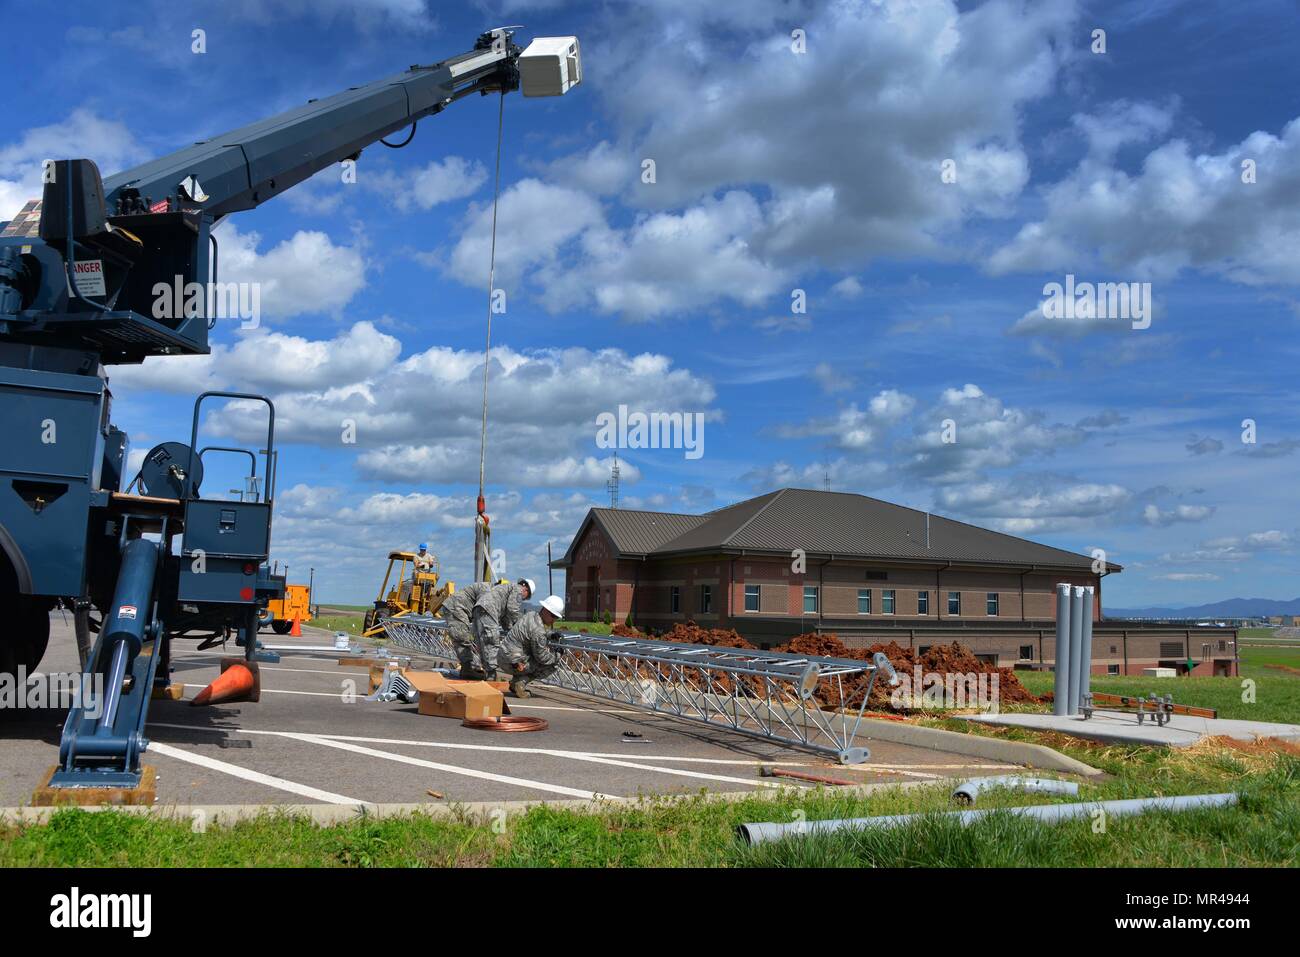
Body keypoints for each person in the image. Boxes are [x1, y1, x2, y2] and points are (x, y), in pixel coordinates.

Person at [501, 595, 565, 698]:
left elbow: (535, 631)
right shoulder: (538, 632)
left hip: (503, 656)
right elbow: (542, 658)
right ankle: (519, 684)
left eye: (556, 617)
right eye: (553, 616)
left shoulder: (531, 615)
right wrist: (557, 655)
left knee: (531, 656)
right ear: (545, 610)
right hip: (514, 662)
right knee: (552, 664)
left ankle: (515, 683)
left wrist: (550, 634)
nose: (554, 620)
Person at [472, 578, 534, 678]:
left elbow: (505, 618)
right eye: (526, 598)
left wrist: (510, 629)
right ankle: (491, 675)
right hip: (489, 610)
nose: (523, 599)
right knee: (491, 641)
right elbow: (512, 610)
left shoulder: (507, 589)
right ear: (526, 590)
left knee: (482, 641)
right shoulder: (519, 589)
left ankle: (482, 671)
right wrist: (518, 625)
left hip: (479, 608)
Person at [440, 580, 491, 678]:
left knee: (463, 638)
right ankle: (467, 670)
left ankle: (467, 669)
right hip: (456, 608)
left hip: (458, 608)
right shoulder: (486, 590)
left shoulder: (489, 591)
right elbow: (482, 609)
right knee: (462, 637)